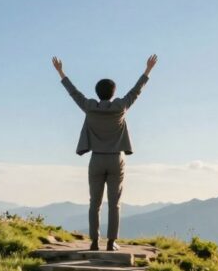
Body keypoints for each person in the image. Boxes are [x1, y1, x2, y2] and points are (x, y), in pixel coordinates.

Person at [52, 54, 158, 251]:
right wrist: (148, 69)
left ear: (97, 92)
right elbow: (136, 91)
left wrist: (60, 72)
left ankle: (94, 242)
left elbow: (73, 92)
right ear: (113, 92)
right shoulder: (120, 107)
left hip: (97, 159)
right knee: (114, 204)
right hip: (116, 158)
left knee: (95, 202)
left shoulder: (89, 107)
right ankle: (111, 242)